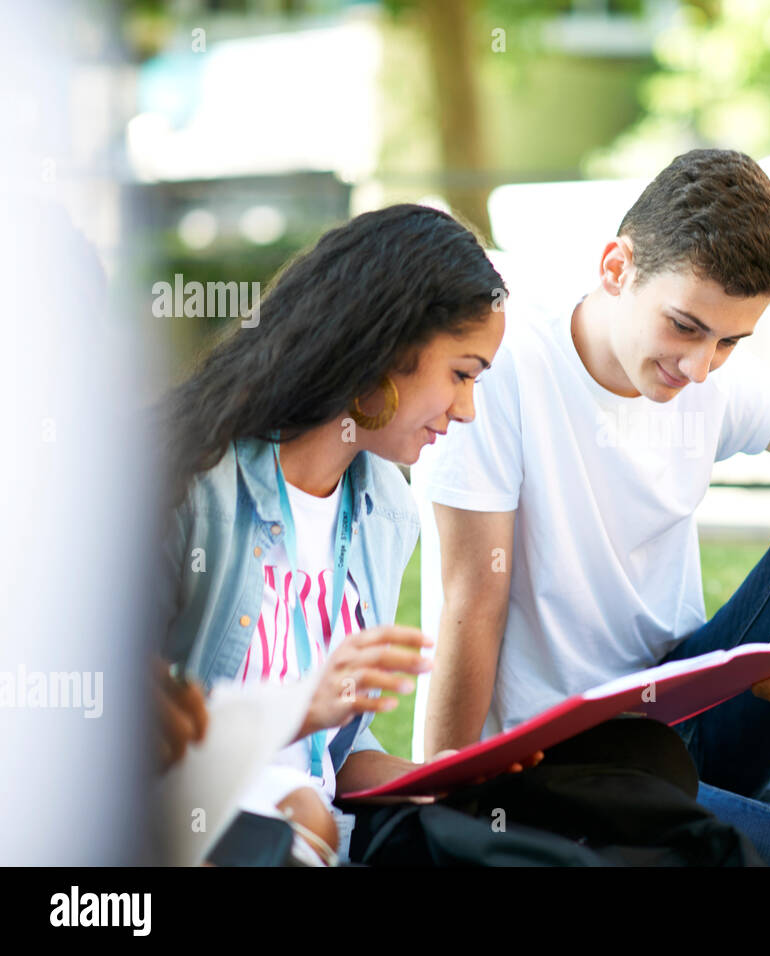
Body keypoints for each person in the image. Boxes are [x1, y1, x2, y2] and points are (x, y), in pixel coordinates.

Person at [421, 149, 770, 866]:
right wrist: (446, 806)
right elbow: (474, 597)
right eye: (684, 327)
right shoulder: (504, 369)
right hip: (554, 761)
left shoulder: (709, 377)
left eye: (729, 342)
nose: (700, 367)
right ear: (616, 268)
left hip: (681, 718)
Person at [158, 203, 510, 863]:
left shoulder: (385, 509)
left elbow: (334, 760)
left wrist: (453, 786)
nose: (466, 410)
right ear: (385, 347)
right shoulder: (188, 486)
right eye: (461, 374)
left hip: (328, 840)